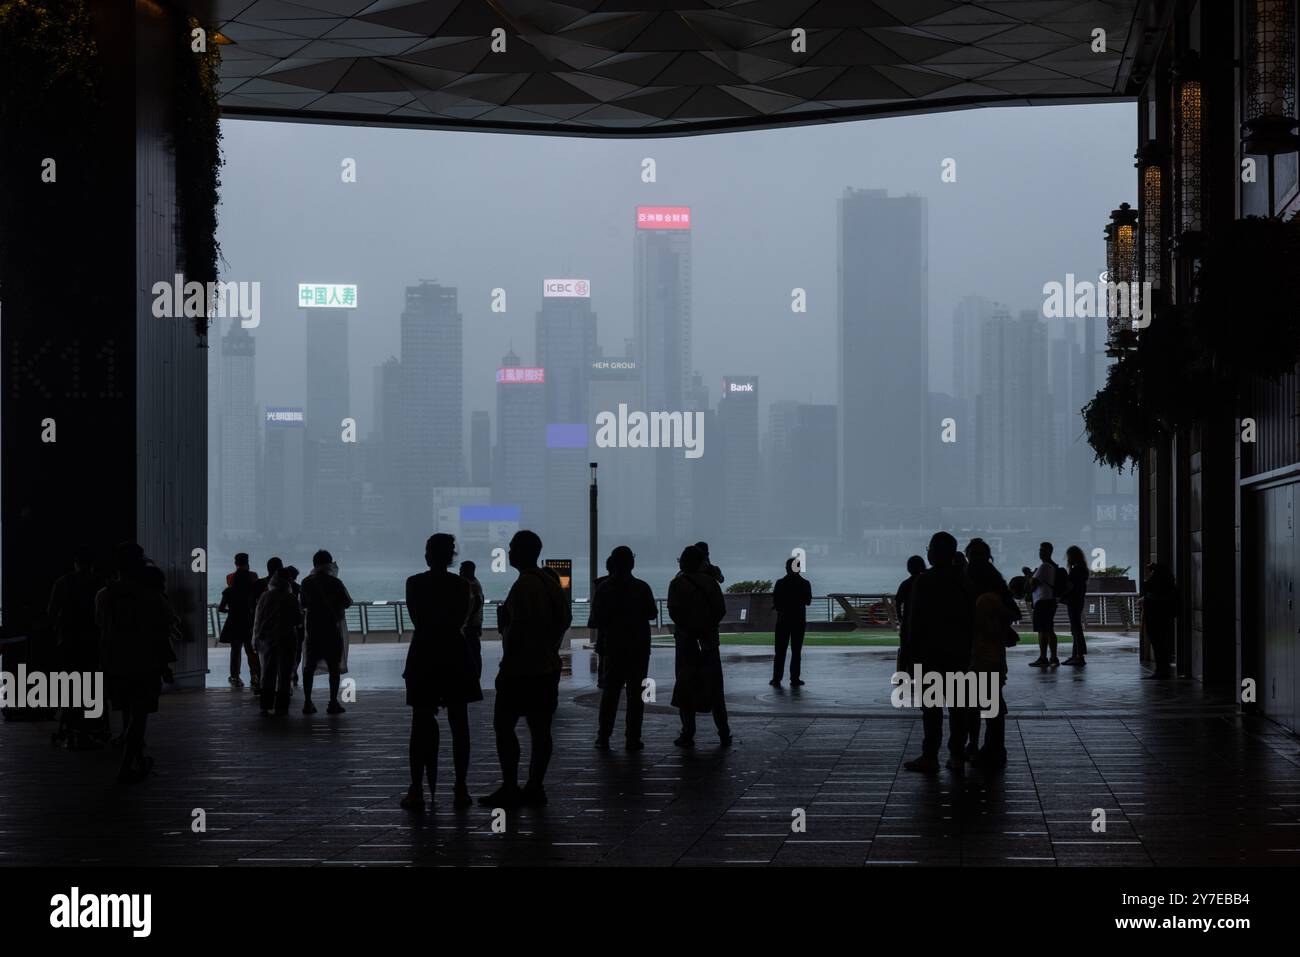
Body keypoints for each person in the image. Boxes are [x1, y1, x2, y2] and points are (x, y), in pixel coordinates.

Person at [479, 530, 571, 809]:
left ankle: (510, 786)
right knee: (541, 729)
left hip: (520, 670)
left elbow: (517, 630)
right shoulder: (550, 582)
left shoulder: (524, 586)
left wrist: (505, 629)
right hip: (546, 667)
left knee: (504, 726)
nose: (508, 552)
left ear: (520, 552)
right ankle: (535, 785)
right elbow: (564, 620)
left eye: (511, 547)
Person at [403, 534, 480, 811]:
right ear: (451, 557)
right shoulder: (461, 585)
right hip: (454, 655)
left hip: (423, 654)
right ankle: (460, 785)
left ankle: (417, 788)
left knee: (420, 723)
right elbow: (461, 619)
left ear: (427, 556)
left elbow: (416, 618)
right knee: (460, 724)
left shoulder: (414, 583)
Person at [95, 543, 176, 783]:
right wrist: (165, 665)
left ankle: (136, 758)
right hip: (145, 662)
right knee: (140, 714)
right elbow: (160, 633)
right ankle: (127, 764)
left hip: (113, 662)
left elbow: (100, 628)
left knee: (127, 711)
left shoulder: (104, 595)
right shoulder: (152, 597)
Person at [902, 532, 975, 773]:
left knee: (931, 709)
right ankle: (956, 755)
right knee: (958, 708)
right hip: (959, 653)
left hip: (931, 654)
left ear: (935, 552)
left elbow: (915, 621)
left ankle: (930, 754)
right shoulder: (964, 581)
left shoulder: (924, 581)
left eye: (930, 547)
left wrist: (911, 654)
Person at [591, 546, 658, 751]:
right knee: (636, 696)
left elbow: (595, 620)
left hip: (614, 647)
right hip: (638, 648)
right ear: (632, 563)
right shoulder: (642, 587)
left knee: (610, 693)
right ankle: (633, 737)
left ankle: (604, 736)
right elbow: (652, 614)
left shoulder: (604, 588)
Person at [668, 545, 731, 748]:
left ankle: (688, 732)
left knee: (685, 686)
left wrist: (689, 627)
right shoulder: (711, 582)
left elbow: (674, 612)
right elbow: (720, 609)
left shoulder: (677, 584)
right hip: (709, 641)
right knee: (715, 688)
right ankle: (723, 732)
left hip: (686, 642)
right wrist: (706, 626)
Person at [964, 538, 1018, 767]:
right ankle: (995, 747)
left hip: (975, 655)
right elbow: (1014, 614)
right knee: (993, 702)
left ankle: (977, 746)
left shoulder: (969, 587)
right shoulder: (998, 587)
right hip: (995, 655)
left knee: (972, 704)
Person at [48, 545, 108, 748]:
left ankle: (70, 726)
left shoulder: (63, 583)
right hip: (93, 641)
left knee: (70, 684)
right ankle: (95, 727)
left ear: (75, 563)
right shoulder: (99, 584)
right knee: (92, 683)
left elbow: (52, 611)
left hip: (69, 640)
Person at [300, 549, 353, 714]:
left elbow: (302, 605)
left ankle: (307, 702)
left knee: (309, 667)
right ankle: (332, 702)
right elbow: (347, 602)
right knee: (334, 668)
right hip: (331, 629)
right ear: (329, 563)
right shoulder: (335, 582)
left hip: (313, 630)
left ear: (314, 564)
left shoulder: (306, 582)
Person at [253, 565, 302, 716]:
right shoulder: (291, 597)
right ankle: (282, 706)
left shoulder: (265, 596)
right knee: (285, 674)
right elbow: (297, 619)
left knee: (267, 673)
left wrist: (256, 638)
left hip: (267, 639)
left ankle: (265, 705)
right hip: (287, 638)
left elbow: (258, 619)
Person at [218, 554, 261, 692]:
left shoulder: (229, 581)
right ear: (247, 562)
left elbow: (221, 608)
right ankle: (255, 676)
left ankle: (235, 677)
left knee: (235, 650)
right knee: (251, 651)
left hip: (234, 621)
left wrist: (230, 611)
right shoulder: (254, 578)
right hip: (249, 621)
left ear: (235, 563)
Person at [770, 557, 812, 687]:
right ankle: (795, 678)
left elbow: (776, 602)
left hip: (783, 620)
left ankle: (777, 678)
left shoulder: (780, 583)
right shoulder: (805, 583)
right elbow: (808, 602)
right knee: (796, 651)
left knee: (780, 651)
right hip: (799, 620)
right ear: (798, 568)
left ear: (787, 568)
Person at [1023, 542, 1060, 668]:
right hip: (1050, 600)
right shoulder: (1054, 566)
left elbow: (1032, 584)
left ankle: (1043, 657)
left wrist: (1028, 574)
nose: (1040, 553)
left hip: (1042, 601)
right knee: (1049, 630)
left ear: (1049, 552)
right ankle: (1053, 657)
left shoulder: (1044, 566)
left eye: (1042, 550)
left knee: (1042, 630)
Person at [1141, 563, 1178, 679]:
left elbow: (1148, 588)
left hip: (1155, 616)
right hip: (1162, 616)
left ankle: (1161, 670)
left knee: (1158, 643)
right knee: (1161, 643)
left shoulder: (1157, 581)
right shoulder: (1168, 582)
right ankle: (1162, 669)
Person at [894, 555, 926, 672]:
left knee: (905, 650)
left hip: (908, 622)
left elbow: (897, 602)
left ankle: (902, 674)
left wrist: (900, 618)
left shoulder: (905, 583)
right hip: (923, 622)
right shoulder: (927, 582)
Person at [1061, 546, 1090, 666]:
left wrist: (1061, 595)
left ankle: (1079, 656)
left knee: (1076, 629)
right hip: (1078, 600)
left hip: (1073, 601)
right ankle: (1076, 655)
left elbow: (1070, 586)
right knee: (1076, 628)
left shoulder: (1076, 570)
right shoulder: (1082, 569)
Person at [460, 560, 485, 683]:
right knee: (474, 650)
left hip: (471, 624)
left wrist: (468, 619)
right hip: (475, 623)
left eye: (462, 569)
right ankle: (475, 675)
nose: (460, 572)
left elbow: (478, 602)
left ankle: (475, 676)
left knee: (473, 651)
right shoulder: (475, 583)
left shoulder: (472, 585)